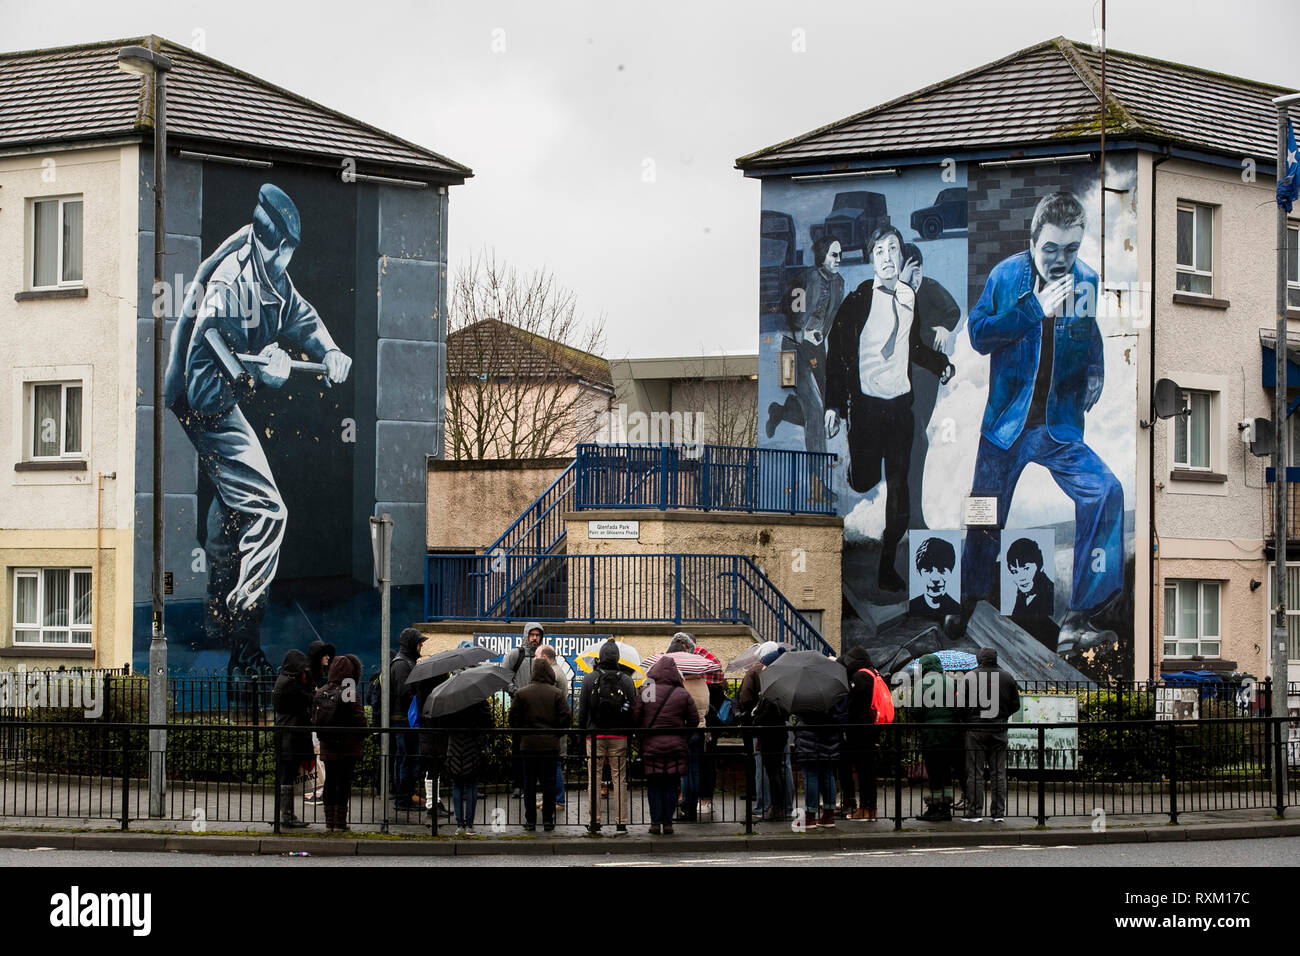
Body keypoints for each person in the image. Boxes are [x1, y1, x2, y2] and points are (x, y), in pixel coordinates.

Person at [165, 184, 352, 676]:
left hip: (213, 395)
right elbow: (211, 338)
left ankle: (215, 622)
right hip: (205, 402)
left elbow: (301, 315)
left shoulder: (263, 263)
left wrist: (328, 350)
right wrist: (257, 374)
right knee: (269, 512)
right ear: (284, 245)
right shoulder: (232, 278)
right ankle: (244, 643)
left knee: (232, 505)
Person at [962, 191, 1122, 654]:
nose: (1060, 259)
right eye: (1050, 249)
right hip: (1007, 426)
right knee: (984, 513)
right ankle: (971, 599)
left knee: (1107, 489)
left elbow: (1091, 336)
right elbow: (978, 335)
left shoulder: (1086, 281)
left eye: (1070, 249)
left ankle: (1079, 616)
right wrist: (1034, 308)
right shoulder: (1006, 276)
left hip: (1058, 427)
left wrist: (1096, 370)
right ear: (1032, 241)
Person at [825, 225, 956, 592]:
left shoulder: (909, 297)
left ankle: (886, 567)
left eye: (893, 250)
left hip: (900, 408)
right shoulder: (858, 300)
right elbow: (836, 354)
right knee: (866, 479)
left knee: (899, 487)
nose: (887, 257)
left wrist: (939, 363)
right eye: (879, 251)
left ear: (901, 257)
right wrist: (834, 405)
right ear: (871, 261)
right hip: (866, 409)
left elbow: (910, 345)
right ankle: (857, 469)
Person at [900, 243, 964, 529]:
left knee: (918, 433)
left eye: (918, 272)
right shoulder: (895, 297)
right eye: (908, 272)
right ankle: (911, 514)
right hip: (903, 376)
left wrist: (945, 328)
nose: (915, 279)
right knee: (914, 438)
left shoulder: (930, 288)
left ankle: (911, 512)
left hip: (927, 373)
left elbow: (954, 310)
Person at [766, 236, 845, 452]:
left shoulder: (839, 284)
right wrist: (803, 334)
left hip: (816, 346)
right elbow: (785, 314)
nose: (839, 259)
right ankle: (816, 480)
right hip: (792, 348)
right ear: (822, 257)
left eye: (840, 255)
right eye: (834, 255)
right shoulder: (805, 279)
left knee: (830, 402)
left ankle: (782, 411)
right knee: (814, 409)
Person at [576, 638, 636, 835]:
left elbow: (582, 712)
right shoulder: (626, 680)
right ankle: (621, 822)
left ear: (599, 657)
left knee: (595, 777)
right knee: (620, 778)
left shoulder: (590, 679)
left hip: (595, 735)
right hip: (619, 736)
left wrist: (584, 732)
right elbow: (633, 709)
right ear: (618, 658)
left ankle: (595, 822)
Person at [635, 656, 699, 835]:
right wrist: (682, 735)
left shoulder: (648, 690)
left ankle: (655, 822)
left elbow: (636, 717)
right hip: (675, 746)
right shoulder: (682, 693)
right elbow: (694, 720)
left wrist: (642, 736)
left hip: (651, 745)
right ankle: (668, 822)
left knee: (654, 784)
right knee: (671, 784)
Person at [508, 658, 571, 832]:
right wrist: (554, 734)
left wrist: (523, 734)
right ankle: (548, 821)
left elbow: (513, 719)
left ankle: (530, 821)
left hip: (528, 745)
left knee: (529, 784)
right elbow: (566, 718)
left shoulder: (522, 693)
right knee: (548, 784)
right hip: (550, 745)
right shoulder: (556, 694)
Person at [960, 647, 1021, 822]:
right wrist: (1001, 716)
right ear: (995, 659)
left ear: (979, 659)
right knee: (998, 773)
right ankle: (998, 813)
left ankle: (974, 812)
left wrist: (970, 718)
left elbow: (960, 706)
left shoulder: (970, 677)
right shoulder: (1007, 677)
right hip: (999, 730)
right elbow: (1015, 705)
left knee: (975, 773)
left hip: (975, 731)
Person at [313, 653, 366, 832]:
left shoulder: (322, 691)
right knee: (343, 783)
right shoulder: (348, 691)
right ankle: (340, 823)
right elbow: (359, 717)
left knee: (330, 781)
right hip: (347, 745)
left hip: (328, 745)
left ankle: (329, 823)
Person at [738, 647, 790, 823]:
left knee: (772, 771)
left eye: (766, 665)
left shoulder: (773, 688)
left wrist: (755, 717)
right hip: (776, 733)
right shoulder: (779, 685)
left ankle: (775, 807)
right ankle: (779, 807)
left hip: (770, 735)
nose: (763, 668)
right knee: (777, 770)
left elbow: (766, 712)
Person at [666, 632, 709, 822]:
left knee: (684, 772)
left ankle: (686, 807)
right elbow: (705, 708)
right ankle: (694, 804)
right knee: (696, 770)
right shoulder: (702, 683)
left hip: (684, 730)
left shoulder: (682, 686)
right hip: (700, 730)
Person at [912, 653, 958, 822]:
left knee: (934, 773)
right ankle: (946, 808)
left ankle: (935, 808)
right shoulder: (951, 682)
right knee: (946, 773)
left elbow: (916, 711)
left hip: (931, 735)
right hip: (951, 734)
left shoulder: (922, 684)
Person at [271, 648, 314, 829]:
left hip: (285, 732)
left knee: (286, 774)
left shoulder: (283, 680)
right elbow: (308, 699)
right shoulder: (290, 684)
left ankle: (285, 814)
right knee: (287, 775)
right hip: (291, 734)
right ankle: (287, 816)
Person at [503, 622, 545, 798]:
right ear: (526, 635)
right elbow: (503, 676)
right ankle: (518, 785)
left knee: (536, 749)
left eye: (538, 635)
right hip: (519, 709)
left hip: (537, 710)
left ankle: (533, 784)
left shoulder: (542, 656)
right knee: (518, 749)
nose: (535, 638)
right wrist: (514, 691)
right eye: (532, 634)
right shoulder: (516, 654)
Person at [838, 646, 879, 821]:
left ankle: (863, 808)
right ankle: (871, 810)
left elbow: (853, 706)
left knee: (863, 772)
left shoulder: (859, 677)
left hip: (859, 731)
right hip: (869, 729)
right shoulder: (872, 673)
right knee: (868, 772)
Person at [444, 697, 495, 835]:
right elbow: (489, 723)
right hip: (473, 746)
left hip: (454, 746)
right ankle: (469, 825)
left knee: (457, 785)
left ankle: (459, 824)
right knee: (471, 785)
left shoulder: (451, 699)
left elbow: (444, 722)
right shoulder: (478, 699)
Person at [793, 697, 845, 830]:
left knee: (811, 775)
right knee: (828, 774)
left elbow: (803, 713)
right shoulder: (834, 690)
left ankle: (810, 817)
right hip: (829, 737)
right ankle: (828, 815)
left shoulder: (806, 691)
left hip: (809, 738)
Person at [389, 627, 424, 810]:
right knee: (406, 759)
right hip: (404, 720)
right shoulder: (402, 664)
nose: (421, 646)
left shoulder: (406, 662)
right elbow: (405, 692)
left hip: (405, 719)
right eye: (419, 642)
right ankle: (403, 799)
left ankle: (405, 796)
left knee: (407, 759)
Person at [1006, 537, 1060, 652]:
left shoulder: (1052, 594)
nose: (1021, 578)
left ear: (1040, 565)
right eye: (1015, 571)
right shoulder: (1021, 594)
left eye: (1026, 568)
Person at [537, 645, 572, 811]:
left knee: (553, 766)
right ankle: (551, 799)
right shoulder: (557, 671)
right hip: (555, 729)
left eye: (537, 656)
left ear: (544, 658)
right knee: (551, 766)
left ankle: (557, 800)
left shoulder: (553, 675)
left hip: (552, 729)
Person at [303, 640, 335, 805]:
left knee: (320, 754)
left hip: (316, 720)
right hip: (314, 720)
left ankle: (321, 789)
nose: (328, 657)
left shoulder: (316, 674)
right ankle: (319, 789)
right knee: (319, 753)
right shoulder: (310, 674)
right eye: (324, 654)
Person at [909, 537, 961, 622]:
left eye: (942, 570)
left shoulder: (955, 607)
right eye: (928, 570)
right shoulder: (913, 606)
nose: (935, 578)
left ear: (951, 572)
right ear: (918, 572)